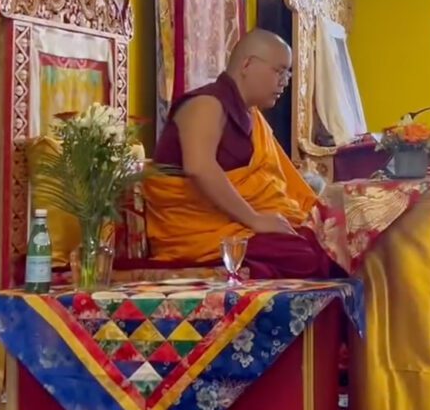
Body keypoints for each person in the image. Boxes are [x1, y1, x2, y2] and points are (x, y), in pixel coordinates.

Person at [144, 30, 336, 279]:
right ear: (247, 64)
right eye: (279, 71)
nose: (285, 81)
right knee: (306, 256)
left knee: (326, 242)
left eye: (288, 73)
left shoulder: (252, 117)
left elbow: (268, 181)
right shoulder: (206, 104)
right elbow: (199, 167)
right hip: (196, 236)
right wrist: (255, 219)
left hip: (234, 227)